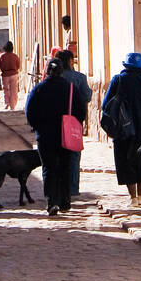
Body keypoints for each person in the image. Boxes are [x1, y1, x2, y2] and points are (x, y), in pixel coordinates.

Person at [26, 58, 86, 216]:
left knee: (49, 167)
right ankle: (65, 202)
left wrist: (37, 126)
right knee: (65, 166)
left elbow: (29, 111)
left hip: (45, 135)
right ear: (61, 71)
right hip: (66, 134)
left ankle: (52, 201)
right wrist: (75, 124)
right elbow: (81, 111)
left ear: (47, 70)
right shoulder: (71, 88)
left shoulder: (39, 89)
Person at [101, 52, 141, 207]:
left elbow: (105, 105)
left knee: (125, 162)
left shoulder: (118, 80)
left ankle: (132, 197)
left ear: (125, 65)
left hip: (123, 131)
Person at [56, 48, 91, 197]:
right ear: (70, 61)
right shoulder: (79, 77)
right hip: (74, 121)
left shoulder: (55, 78)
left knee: (58, 154)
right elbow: (87, 96)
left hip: (57, 121)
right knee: (74, 154)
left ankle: (58, 187)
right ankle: (73, 188)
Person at [0, 41, 21, 110]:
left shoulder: (2, 56)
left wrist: (3, 68)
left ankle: (7, 103)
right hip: (14, 74)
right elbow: (18, 65)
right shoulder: (15, 56)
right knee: (14, 89)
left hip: (5, 74)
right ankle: (13, 105)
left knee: (6, 89)